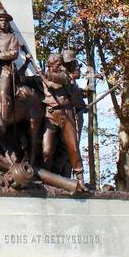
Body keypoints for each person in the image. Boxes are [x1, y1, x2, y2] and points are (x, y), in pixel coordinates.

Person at [42, 49, 86, 186]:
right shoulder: (42, 77)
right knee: (46, 151)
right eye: (58, 64)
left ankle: (80, 179)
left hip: (66, 114)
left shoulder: (64, 75)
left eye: (61, 64)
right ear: (51, 64)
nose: (61, 66)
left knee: (73, 147)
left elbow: (62, 78)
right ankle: (46, 179)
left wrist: (48, 77)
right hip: (49, 115)